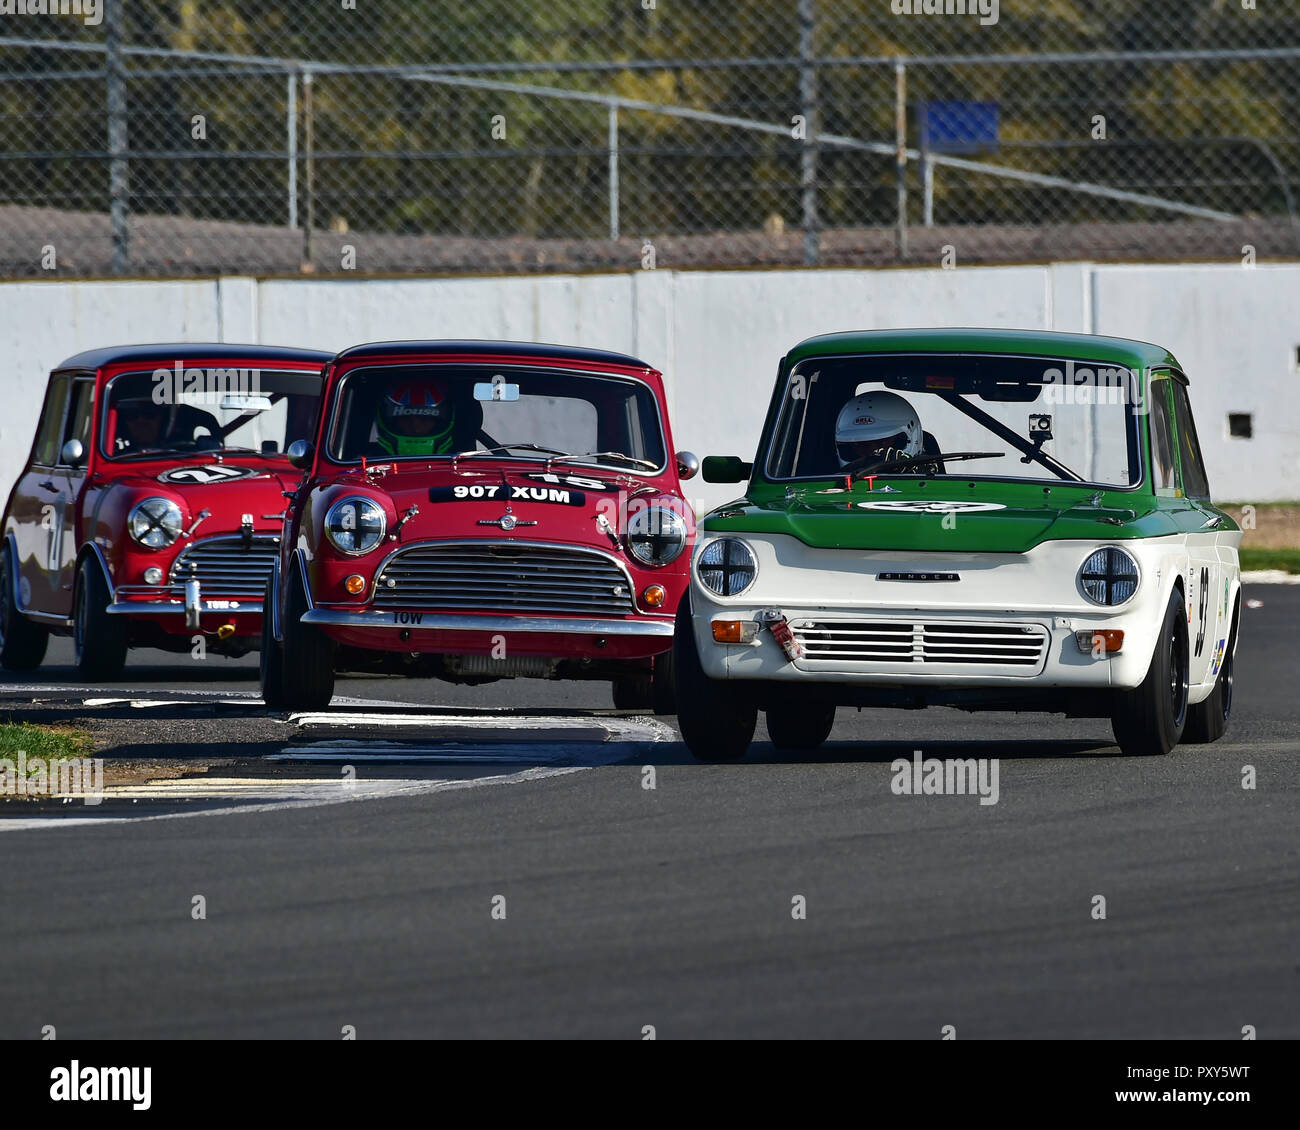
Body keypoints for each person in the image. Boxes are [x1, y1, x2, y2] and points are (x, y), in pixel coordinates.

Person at [833, 390, 925, 469]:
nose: (872, 451)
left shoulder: (932, 480)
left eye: (881, 442)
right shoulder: (830, 486)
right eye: (859, 445)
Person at [374, 377, 461, 456]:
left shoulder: (465, 458)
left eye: (424, 419)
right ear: (392, 422)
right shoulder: (367, 461)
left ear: (439, 423)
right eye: (406, 419)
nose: (415, 428)